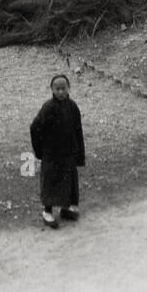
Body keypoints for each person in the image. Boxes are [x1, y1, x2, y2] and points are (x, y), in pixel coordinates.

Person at [30, 74, 86, 229]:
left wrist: (80, 154)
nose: (61, 92)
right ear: (52, 90)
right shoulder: (48, 107)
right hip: (52, 153)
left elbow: (78, 130)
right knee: (51, 181)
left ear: (68, 88)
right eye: (57, 89)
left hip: (68, 152)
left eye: (63, 88)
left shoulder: (73, 107)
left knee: (69, 180)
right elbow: (34, 128)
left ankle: (66, 208)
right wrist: (40, 150)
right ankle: (47, 212)